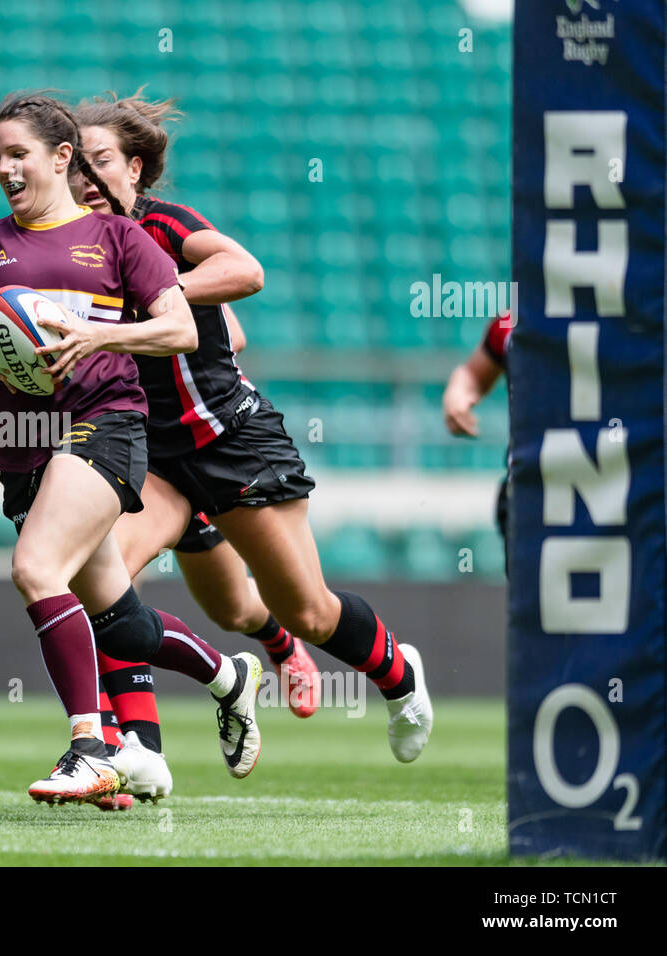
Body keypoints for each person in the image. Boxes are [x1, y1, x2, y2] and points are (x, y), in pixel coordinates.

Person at [67, 91, 434, 764]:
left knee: (308, 613)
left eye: (102, 162)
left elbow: (245, 271)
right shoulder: (64, 248)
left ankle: (399, 678)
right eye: (75, 167)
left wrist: (166, 294)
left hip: (228, 443)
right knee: (105, 576)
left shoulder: (164, 227)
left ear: (136, 169)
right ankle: (136, 747)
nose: (86, 181)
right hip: (149, 455)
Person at [0, 91, 265, 806]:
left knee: (35, 567)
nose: (5, 169)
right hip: (22, 443)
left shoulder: (121, 240)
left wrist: (99, 333)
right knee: (122, 617)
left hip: (104, 424)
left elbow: (177, 329)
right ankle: (228, 678)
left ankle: (92, 746)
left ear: (59, 158)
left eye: (18, 154)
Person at [442, 310, 512, 549]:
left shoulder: (625, 320)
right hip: (529, 493)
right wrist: (457, 394)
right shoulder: (515, 323)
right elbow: (473, 373)